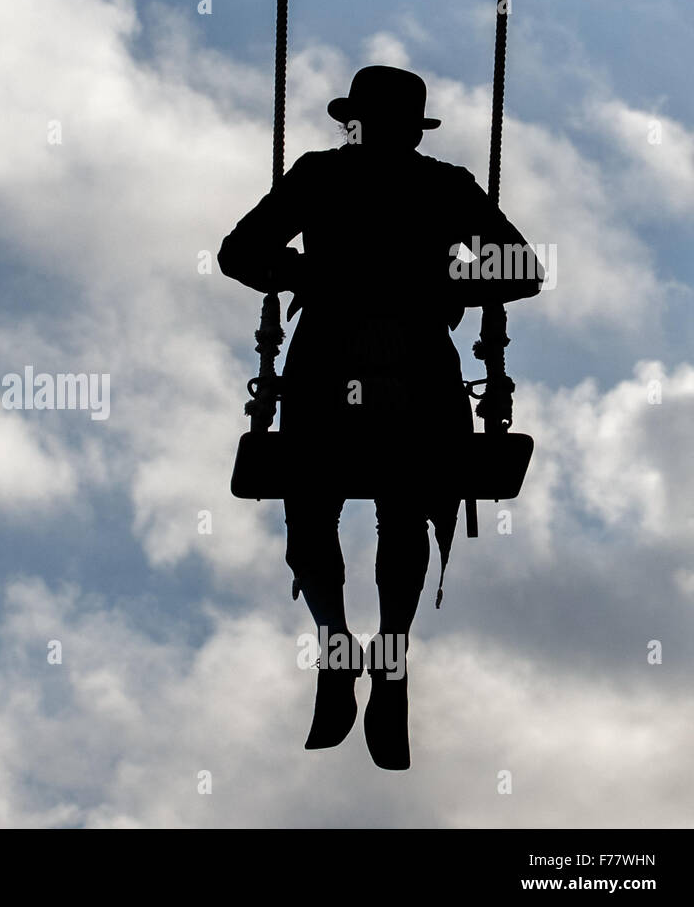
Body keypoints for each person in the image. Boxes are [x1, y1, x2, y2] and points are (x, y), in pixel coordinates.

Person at [217, 66, 543, 770]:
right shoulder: (426, 185)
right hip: (402, 365)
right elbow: (520, 269)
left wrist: (317, 274)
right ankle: (366, 650)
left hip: (346, 363)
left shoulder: (342, 178)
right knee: (374, 508)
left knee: (348, 508)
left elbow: (521, 269)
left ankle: (362, 649)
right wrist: (428, 277)